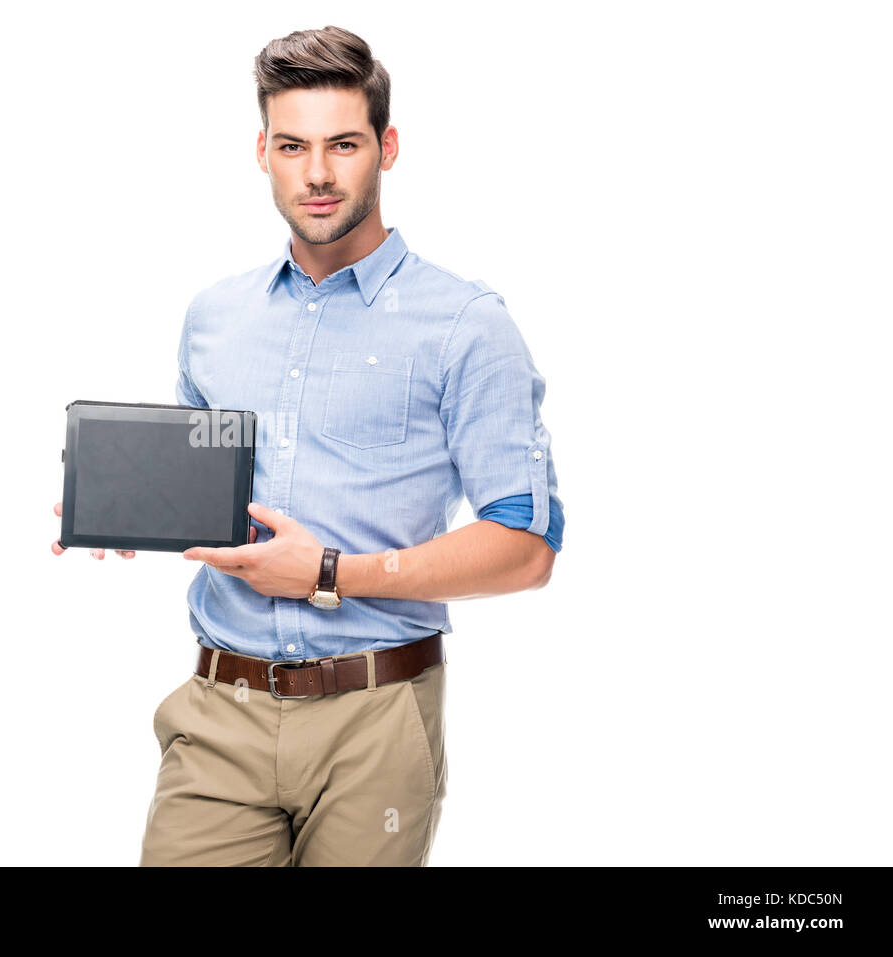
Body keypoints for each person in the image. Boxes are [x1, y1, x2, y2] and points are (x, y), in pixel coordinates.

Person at [51, 24, 565, 866]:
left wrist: (333, 573)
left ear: (386, 147)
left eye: (343, 145)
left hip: (378, 715)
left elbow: (526, 546)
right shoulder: (215, 316)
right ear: (262, 151)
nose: (318, 174)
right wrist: (129, 504)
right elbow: (211, 490)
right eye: (293, 145)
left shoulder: (468, 326)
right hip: (221, 710)